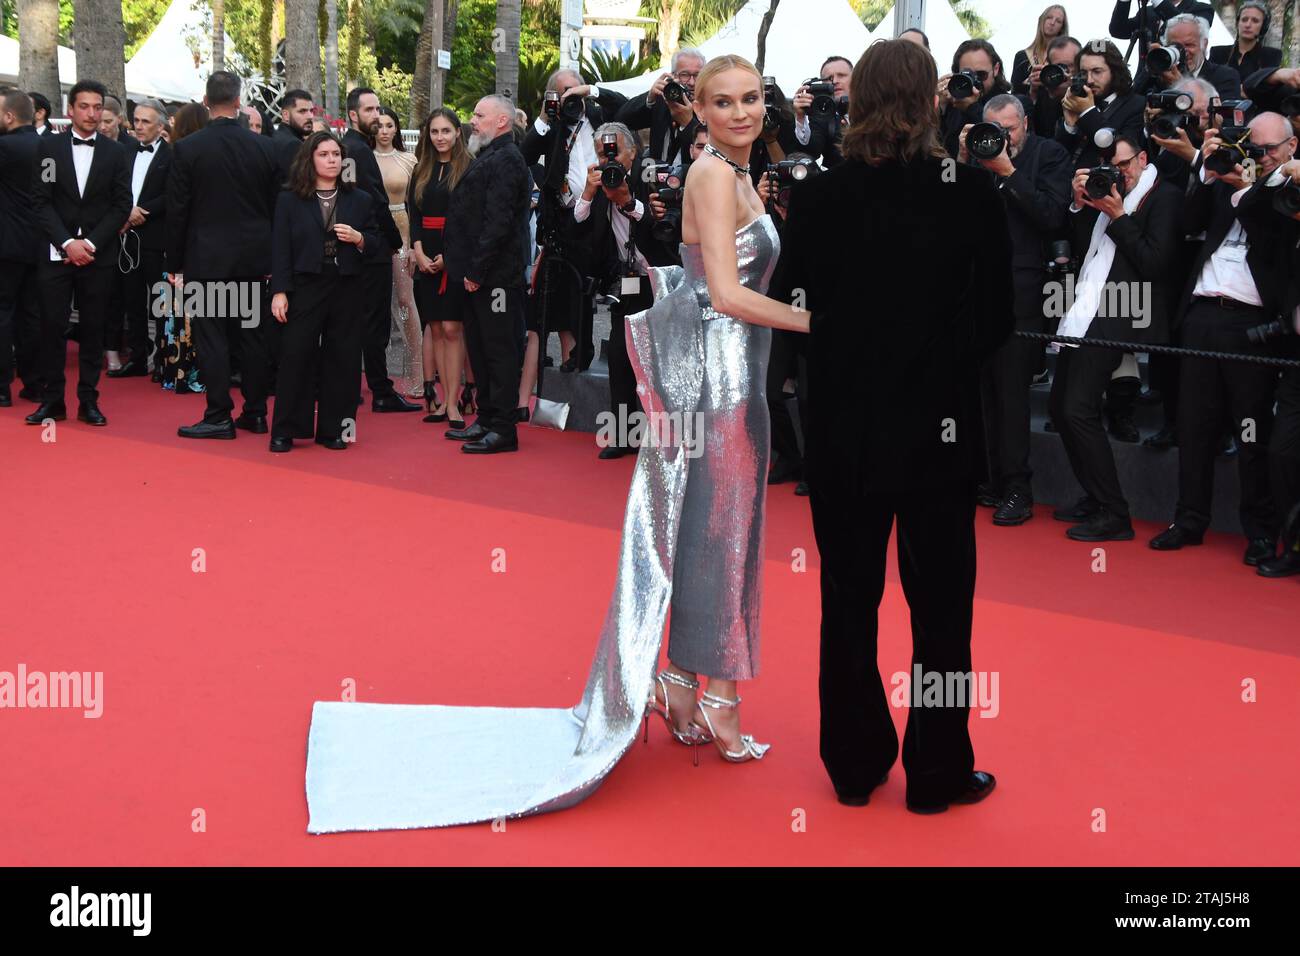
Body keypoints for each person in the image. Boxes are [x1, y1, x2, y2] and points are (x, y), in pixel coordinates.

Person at [303, 55, 810, 833]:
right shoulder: (714, 176)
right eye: (724, 102)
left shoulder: (738, 174)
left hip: (732, 375)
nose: (741, 112)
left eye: (751, 99)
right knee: (724, 532)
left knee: (717, 532)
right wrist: (819, 322)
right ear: (698, 110)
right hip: (720, 380)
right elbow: (729, 293)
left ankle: (681, 682)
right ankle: (718, 696)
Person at [773, 39, 1010, 812]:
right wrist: (936, 364)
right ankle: (936, 775)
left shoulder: (818, 197)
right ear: (930, 101)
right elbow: (1000, 321)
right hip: (937, 432)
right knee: (941, 608)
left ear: (859, 101)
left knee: (847, 599)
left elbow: (794, 310)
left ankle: (853, 763)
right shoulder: (971, 194)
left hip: (845, 430)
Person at [1150, 112, 1299, 565]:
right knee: (1194, 427)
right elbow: (1188, 222)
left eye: (1271, 149)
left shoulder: (1290, 192)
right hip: (1201, 315)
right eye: (1254, 146)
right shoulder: (1224, 175)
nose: (1261, 155)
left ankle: (1259, 531)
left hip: (1252, 326)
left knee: (1251, 431)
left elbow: (1274, 239)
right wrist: (1206, 168)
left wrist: (1247, 186)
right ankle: (1189, 519)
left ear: (1292, 148)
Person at [1049, 133, 1182, 542]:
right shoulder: (1107, 191)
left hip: (1123, 310)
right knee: (1059, 406)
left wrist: (1119, 214)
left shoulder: (1164, 197)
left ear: (1143, 158)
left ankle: (1114, 512)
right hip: (1086, 307)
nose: (1117, 173)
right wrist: (1079, 203)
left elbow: (1156, 263)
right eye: (1110, 166)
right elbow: (1081, 239)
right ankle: (1095, 495)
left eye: (1124, 165)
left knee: (1077, 408)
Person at [958, 93, 1072, 527]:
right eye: (995, 130)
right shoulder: (975, 158)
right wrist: (966, 157)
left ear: (1026, 123)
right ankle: (988, 479)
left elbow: (1051, 216)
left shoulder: (1050, 154)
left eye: (1010, 129)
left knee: (1010, 394)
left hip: (1023, 290)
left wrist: (1006, 171)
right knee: (980, 391)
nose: (1002, 138)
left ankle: (1018, 488)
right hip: (974, 290)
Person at [168, 70, 280, 440]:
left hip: (207, 259)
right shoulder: (264, 147)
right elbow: (274, 206)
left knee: (213, 337)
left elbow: (178, 210)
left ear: (204, 102)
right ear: (237, 103)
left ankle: (218, 414)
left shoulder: (187, 149)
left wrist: (174, 263)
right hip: (252, 258)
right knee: (251, 337)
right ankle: (256, 413)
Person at [566, 121, 677, 459]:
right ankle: (623, 435)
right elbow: (577, 231)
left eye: (614, 151)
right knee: (619, 357)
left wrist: (629, 202)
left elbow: (666, 231)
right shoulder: (598, 184)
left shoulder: (651, 177)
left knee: (662, 361)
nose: (608, 158)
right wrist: (587, 193)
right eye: (602, 152)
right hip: (624, 282)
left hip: (661, 280)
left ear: (633, 151)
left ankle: (665, 436)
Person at [25, 80, 132, 428]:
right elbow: (41, 201)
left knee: (93, 330)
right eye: (84, 106)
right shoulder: (49, 149)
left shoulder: (116, 154)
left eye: (97, 107)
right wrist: (66, 242)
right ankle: (53, 400)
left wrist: (91, 244)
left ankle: (89, 400)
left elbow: (121, 205)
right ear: (71, 109)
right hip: (57, 255)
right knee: (52, 327)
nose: (91, 113)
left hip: (97, 256)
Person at [268, 132, 380, 453]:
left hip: (346, 285)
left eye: (335, 154)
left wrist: (359, 238)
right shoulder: (290, 199)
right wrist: (280, 291)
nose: (332, 160)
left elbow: (377, 245)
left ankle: (337, 430)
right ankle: (285, 430)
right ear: (310, 159)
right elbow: (281, 248)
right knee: (295, 354)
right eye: (324, 154)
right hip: (305, 285)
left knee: (343, 359)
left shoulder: (360, 199)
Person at [443, 95, 532, 454]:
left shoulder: (508, 159)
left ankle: (504, 429)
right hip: (478, 276)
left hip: (496, 278)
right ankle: (487, 417)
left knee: (499, 351)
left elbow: (499, 222)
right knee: (479, 349)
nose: (472, 120)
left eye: (480, 115)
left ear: (501, 122)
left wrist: (477, 271)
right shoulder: (491, 155)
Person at [342, 87, 420, 413]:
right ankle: (381, 390)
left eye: (378, 109)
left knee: (363, 320)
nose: (376, 115)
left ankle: (357, 386)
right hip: (370, 245)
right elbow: (374, 200)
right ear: (353, 115)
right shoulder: (357, 150)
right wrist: (394, 242)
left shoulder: (352, 147)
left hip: (362, 242)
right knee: (374, 322)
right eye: (369, 110)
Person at [409, 108, 473, 428]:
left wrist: (450, 256)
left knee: (452, 329)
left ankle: (452, 403)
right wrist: (418, 252)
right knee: (435, 329)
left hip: (456, 256)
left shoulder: (469, 169)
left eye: (446, 131)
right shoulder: (421, 169)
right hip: (426, 258)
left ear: (457, 132)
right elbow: (414, 216)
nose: (440, 137)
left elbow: (471, 219)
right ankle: (443, 400)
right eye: (434, 132)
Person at [107, 98, 170, 380]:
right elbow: (114, 187)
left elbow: (174, 195)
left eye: (146, 121)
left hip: (155, 237)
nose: (139, 126)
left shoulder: (173, 155)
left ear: (161, 125)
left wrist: (142, 211)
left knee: (159, 300)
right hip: (125, 237)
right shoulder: (125, 151)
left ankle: (164, 359)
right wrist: (124, 212)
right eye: (137, 120)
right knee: (131, 299)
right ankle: (137, 356)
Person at [373, 105, 423, 399]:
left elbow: (416, 204)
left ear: (397, 128)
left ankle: (416, 377)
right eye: (379, 125)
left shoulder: (409, 159)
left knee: (406, 301)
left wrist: (415, 245)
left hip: (402, 232)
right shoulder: (360, 159)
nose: (384, 130)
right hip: (373, 234)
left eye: (389, 125)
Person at [0, 90, 44, 407]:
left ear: (9, 116)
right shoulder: (48, 148)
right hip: (41, 243)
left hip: (7, 244)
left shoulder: (5, 147)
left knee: (3, 314)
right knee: (32, 315)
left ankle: (2, 387)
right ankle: (34, 383)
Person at [1056, 40, 1145, 169]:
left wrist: (1088, 112)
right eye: (1084, 73)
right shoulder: (1076, 100)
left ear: (1115, 71)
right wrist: (1069, 125)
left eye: (1097, 71)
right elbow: (1057, 155)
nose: (1090, 80)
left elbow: (1119, 151)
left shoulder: (1136, 105)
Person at [616, 48, 705, 167]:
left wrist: (688, 123)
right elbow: (621, 120)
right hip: (655, 179)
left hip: (692, 180)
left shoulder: (710, 106)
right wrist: (649, 97)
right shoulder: (662, 101)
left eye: (697, 75)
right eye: (685, 75)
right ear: (673, 76)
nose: (692, 82)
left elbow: (708, 150)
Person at [1131, 13, 1244, 100]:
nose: (1183, 52)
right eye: (1175, 46)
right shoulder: (1161, 76)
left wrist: (1181, 85)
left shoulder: (1225, 76)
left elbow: (1222, 122)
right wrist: (1151, 66)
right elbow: (1131, 101)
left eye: (1189, 45)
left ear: (1204, 44)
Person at [939, 39, 1014, 160]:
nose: (974, 80)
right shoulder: (952, 102)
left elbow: (1000, 143)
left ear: (996, 69)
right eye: (967, 75)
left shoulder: (1009, 104)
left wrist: (971, 108)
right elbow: (939, 146)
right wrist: (939, 107)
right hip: (951, 174)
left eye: (981, 75)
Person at [1210, 1, 1282, 78]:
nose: (1248, 25)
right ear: (1237, 23)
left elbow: (1267, 85)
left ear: (1263, 27)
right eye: (1244, 20)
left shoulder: (1271, 55)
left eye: (1255, 21)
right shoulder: (1218, 53)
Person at [1012, 5, 1070, 96]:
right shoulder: (1022, 56)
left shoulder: (1067, 57)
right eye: (1049, 18)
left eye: (1058, 21)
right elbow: (1015, 95)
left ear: (1062, 28)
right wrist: (1030, 84)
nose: (1052, 22)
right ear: (1041, 20)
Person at [1109, 0, 1214, 40]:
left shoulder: (1202, 9)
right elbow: (1118, 30)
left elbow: (1185, 30)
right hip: (1145, 83)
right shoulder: (1147, 12)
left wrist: (1158, 1)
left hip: (1182, 79)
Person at [272, 90, 314, 185]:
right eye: (302, 111)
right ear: (286, 115)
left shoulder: (278, 136)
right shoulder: (292, 144)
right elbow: (299, 185)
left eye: (311, 111)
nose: (310, 116)